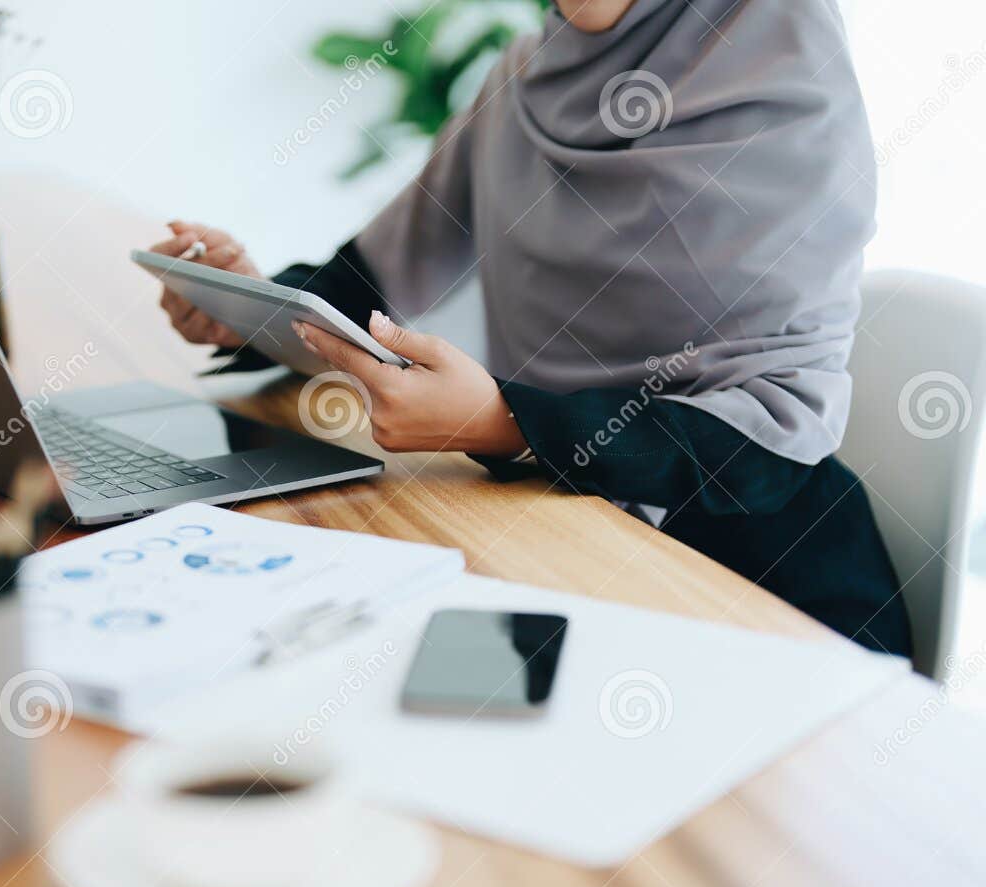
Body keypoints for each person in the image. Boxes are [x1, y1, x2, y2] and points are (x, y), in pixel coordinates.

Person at [151, 0, 912, 658]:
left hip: (763, 587)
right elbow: (368, 284)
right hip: (552, 542)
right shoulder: (522, 82)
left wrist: (504, 422)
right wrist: (246, 306)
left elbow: (768, 444)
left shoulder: (789, 96)